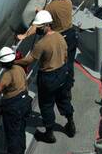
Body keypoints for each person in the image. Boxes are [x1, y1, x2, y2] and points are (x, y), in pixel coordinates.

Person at [16, 9, 75, 143]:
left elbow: (29, 60)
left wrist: (15, 61)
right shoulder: (60, 37)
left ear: (47, 25)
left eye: (39, 27)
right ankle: (70, 124)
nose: (37, 29)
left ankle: (49, 134)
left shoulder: (41, 44)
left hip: (48, 78)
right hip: (63, 72)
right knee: (63, 99)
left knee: (47, 105)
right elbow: (66, 54)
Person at [0, 45, 31, 154]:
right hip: (25, 102)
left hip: (13, 106)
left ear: (3, 62)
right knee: (20, 131)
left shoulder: (7, 74)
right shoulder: (20, 68)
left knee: (12, 134)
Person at [45, 0, 78, 71]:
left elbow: (45, 18)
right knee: (70, 61)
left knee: (59, 63)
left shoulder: (48, 8)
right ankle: (69, 79)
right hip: (71, 35)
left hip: (59, 38)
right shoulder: (68, 2)